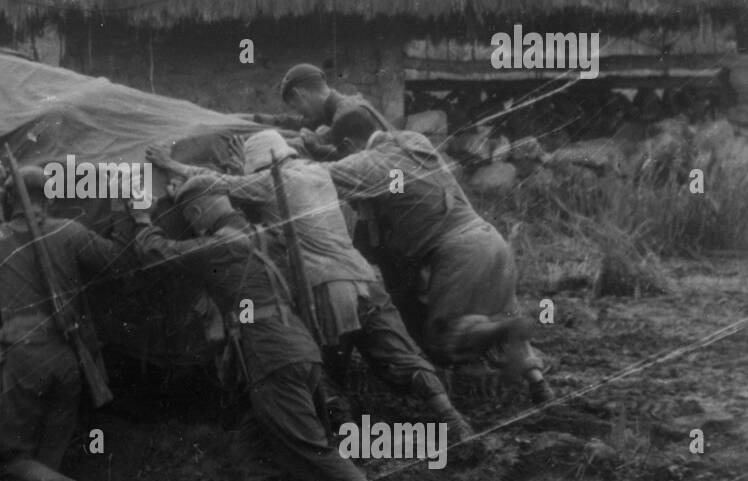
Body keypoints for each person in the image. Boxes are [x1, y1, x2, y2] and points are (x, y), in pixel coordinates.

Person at [128, 175, 428, 481]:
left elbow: (156, 253)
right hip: (294, 351)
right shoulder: (261, 234)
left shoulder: (222, 245)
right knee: (251, 448)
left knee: (306, 449)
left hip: (271, 358)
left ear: (199, 212)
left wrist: (140, 218)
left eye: (190, 216)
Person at [149, 130, 476, 446]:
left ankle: (347, 439)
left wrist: (172, 165)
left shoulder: (270, 181)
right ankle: (451, 418)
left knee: (325, 371)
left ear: (261, 167)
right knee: (402, 355)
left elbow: (215, 184)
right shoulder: (318, 172)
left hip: (325, 289)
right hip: (364, 278)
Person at [326, 108, 551, 403]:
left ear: (347, 145)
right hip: (492, 240)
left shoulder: (367, 163)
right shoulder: (414, 141)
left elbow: (312, 175)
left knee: (442, 339)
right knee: (503, 311)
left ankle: (499, 331)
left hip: (460, 252)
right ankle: (538, 382)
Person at [0, 162, 124, 481]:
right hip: (68, 357)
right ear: (51, 197)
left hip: (22, 355)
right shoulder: (70, 232)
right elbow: (116, 258)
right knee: (48, 458)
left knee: (9, 460)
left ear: (12, 201)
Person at [268, 64, 392, 160]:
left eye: (295, 107)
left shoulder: (346, 116)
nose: (299, 114)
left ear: (299, 94)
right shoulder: (345, 105)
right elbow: (294, 122)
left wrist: (316, 149)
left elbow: (358, 165)